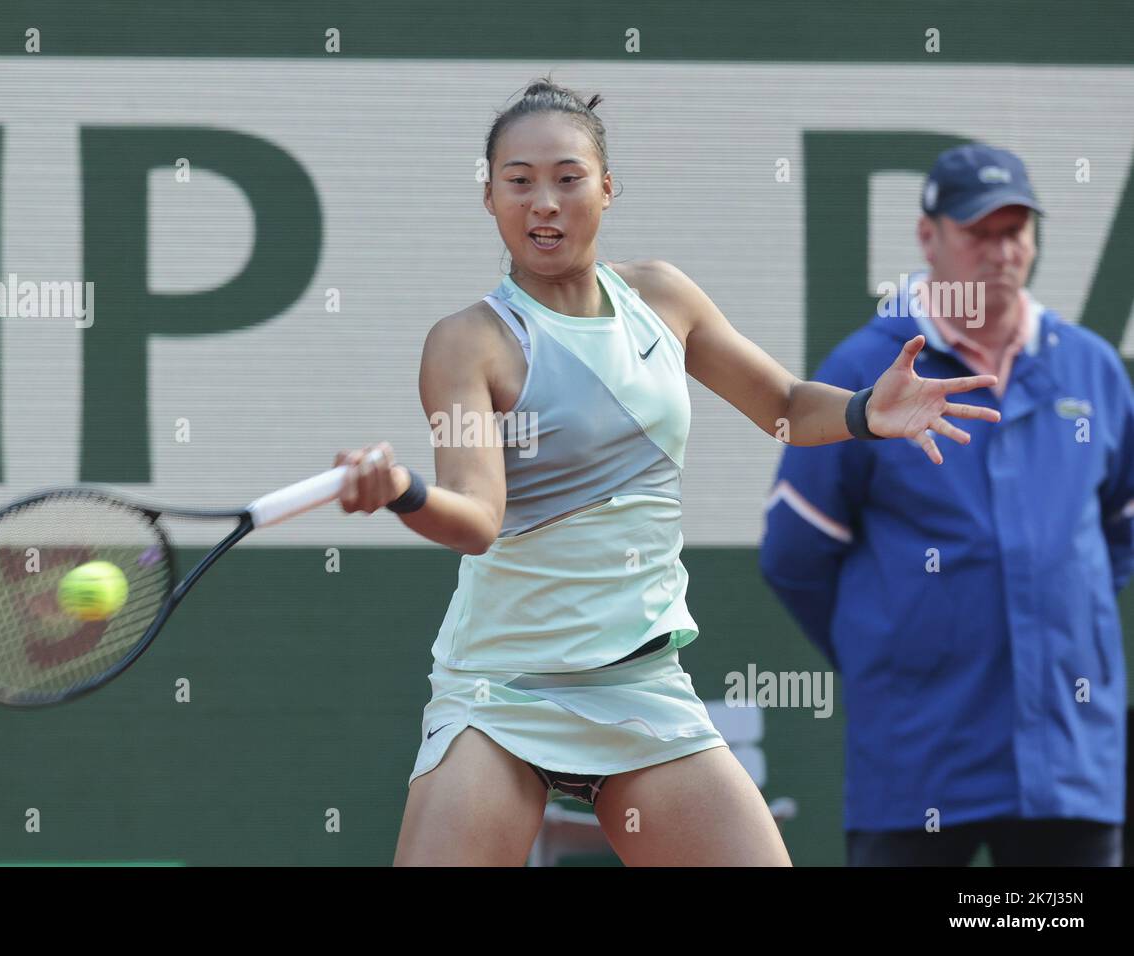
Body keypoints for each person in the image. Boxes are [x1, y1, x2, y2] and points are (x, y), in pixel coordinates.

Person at [335, 78, 998, 867]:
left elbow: (782, 403)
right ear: (489, 197)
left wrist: (864, 411)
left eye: (567, 178)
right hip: (502, 692)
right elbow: (477, 520)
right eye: (518, 182)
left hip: (642, 686)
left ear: (607, 188)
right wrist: (403, 491)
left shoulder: (662, 297)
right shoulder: (467, 342)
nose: (543, 201)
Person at [760, 143, 1134, 866]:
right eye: (980, 230)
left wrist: (1052, 625)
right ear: (928, 236)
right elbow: (795, 555)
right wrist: (895, 652)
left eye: (1017, 229)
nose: (1003, 251)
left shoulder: (1092, 369)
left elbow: (1118, 534)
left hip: (1068, 767)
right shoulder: (867, 367)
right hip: (917, 764)